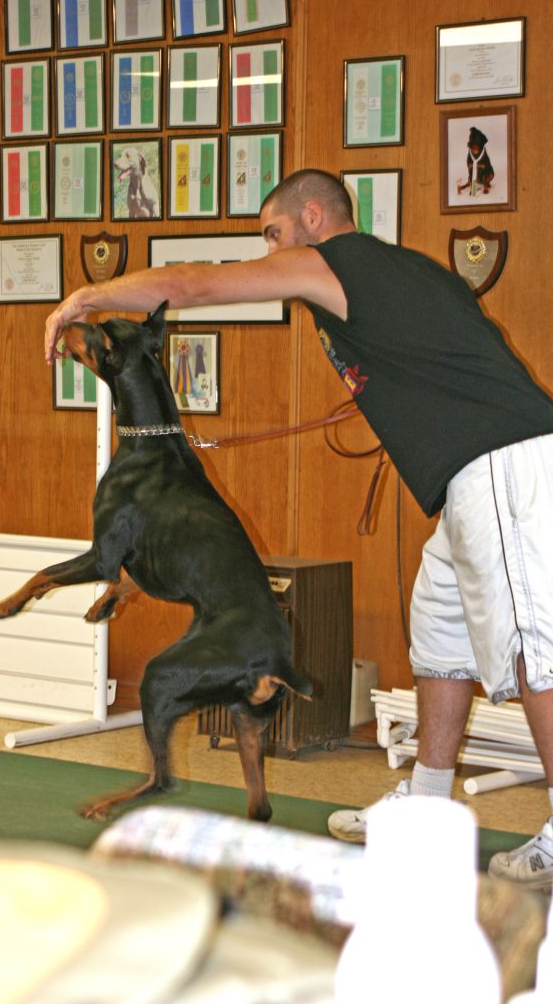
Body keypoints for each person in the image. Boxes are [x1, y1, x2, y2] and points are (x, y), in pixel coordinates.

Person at [44, 168, 553, 889]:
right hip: (475, 478)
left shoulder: (340, 263)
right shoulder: (392, 272)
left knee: (533, 649)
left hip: (504, 469)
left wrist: (87, 297)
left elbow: (191, 286)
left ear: (314, 217)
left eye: (274, 235)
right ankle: (429, 805)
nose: (272, 252)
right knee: (438, 626)